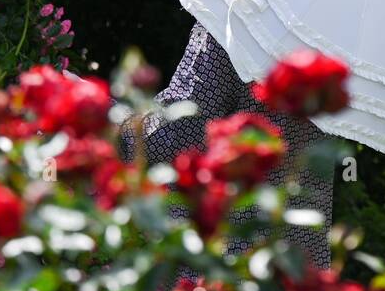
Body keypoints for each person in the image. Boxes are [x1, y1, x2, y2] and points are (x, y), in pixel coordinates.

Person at [119, 21, 334, 269]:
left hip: (223, 262)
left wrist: (109, 120)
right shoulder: (334, 37)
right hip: (297, 264)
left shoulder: (235, 13)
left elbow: (174, 134)